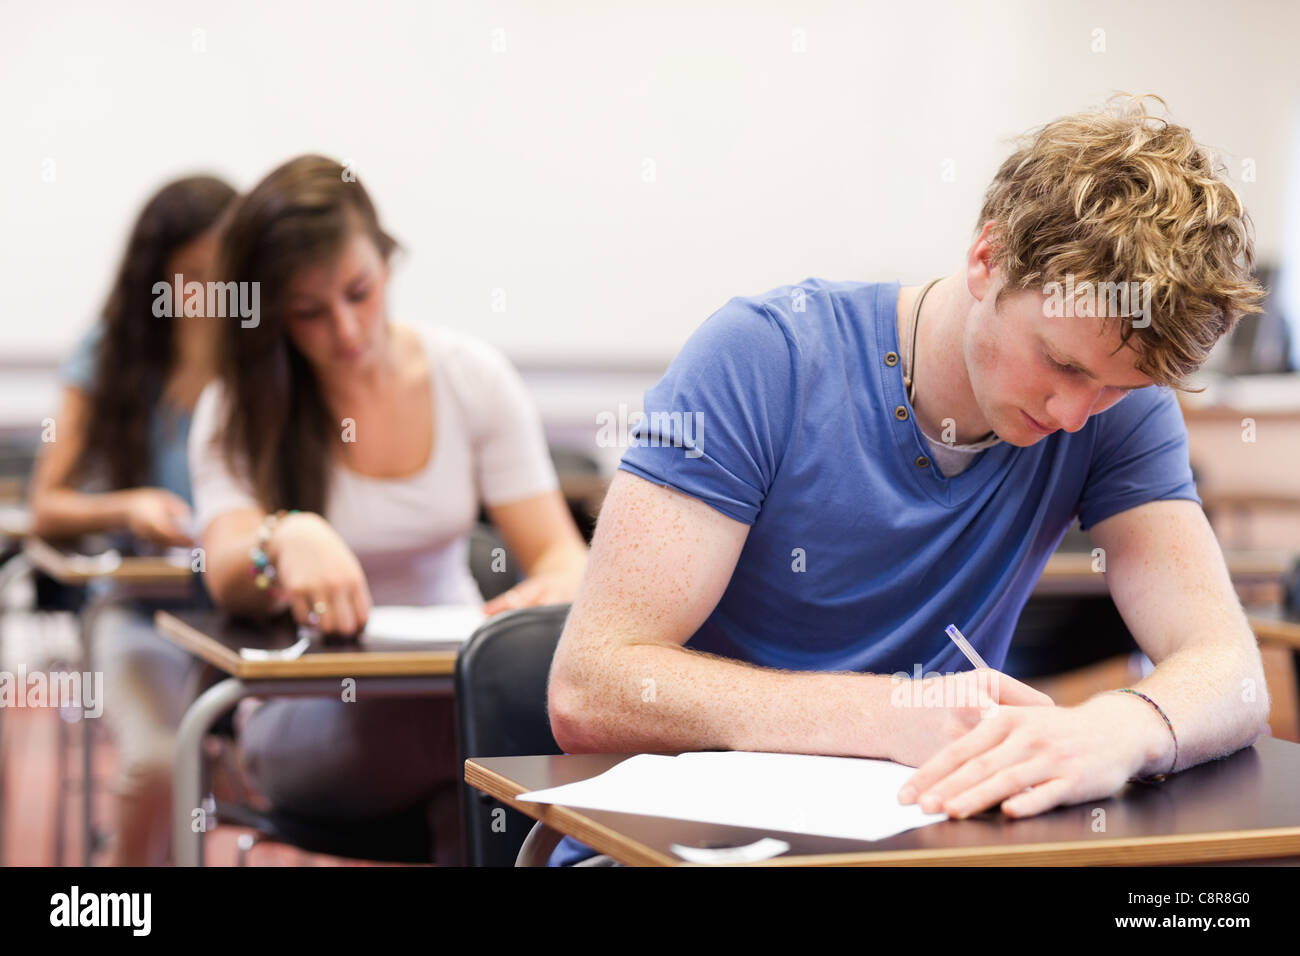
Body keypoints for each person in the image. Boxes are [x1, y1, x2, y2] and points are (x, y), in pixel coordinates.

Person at [546, 95, 1271, 864]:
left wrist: (1116, 731)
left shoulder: (1115, 410)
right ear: (987, 259)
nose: (1072, 414)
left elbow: (1231, 673)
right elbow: (591, 688)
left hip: (920, 838)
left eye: (1115, 389)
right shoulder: (764, 358)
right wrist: (890, 713)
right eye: (1059, 363)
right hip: (688, 842)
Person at [189, 155, 588, 864]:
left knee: (495, 730)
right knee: (488, 738)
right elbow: (222, 569)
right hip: (309, 719)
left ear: (387, 259)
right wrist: (281, 536)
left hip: (455, 683)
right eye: (309, 312)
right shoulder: (239, 408)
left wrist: (554, 589)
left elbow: (560, 554)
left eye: (360, 292)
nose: (345, 330)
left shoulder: (468, 377)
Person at [28, 174, 238, 865]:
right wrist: (128, 505)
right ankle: (116, 888)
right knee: (156, 760)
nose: (209, 293)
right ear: (157, 276)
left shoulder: (262, 359)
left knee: (231, 771)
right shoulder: (110, 353)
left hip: (243, 619)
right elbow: (46, 505)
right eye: (191, 275)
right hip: (139, 614)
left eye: (224, 274)